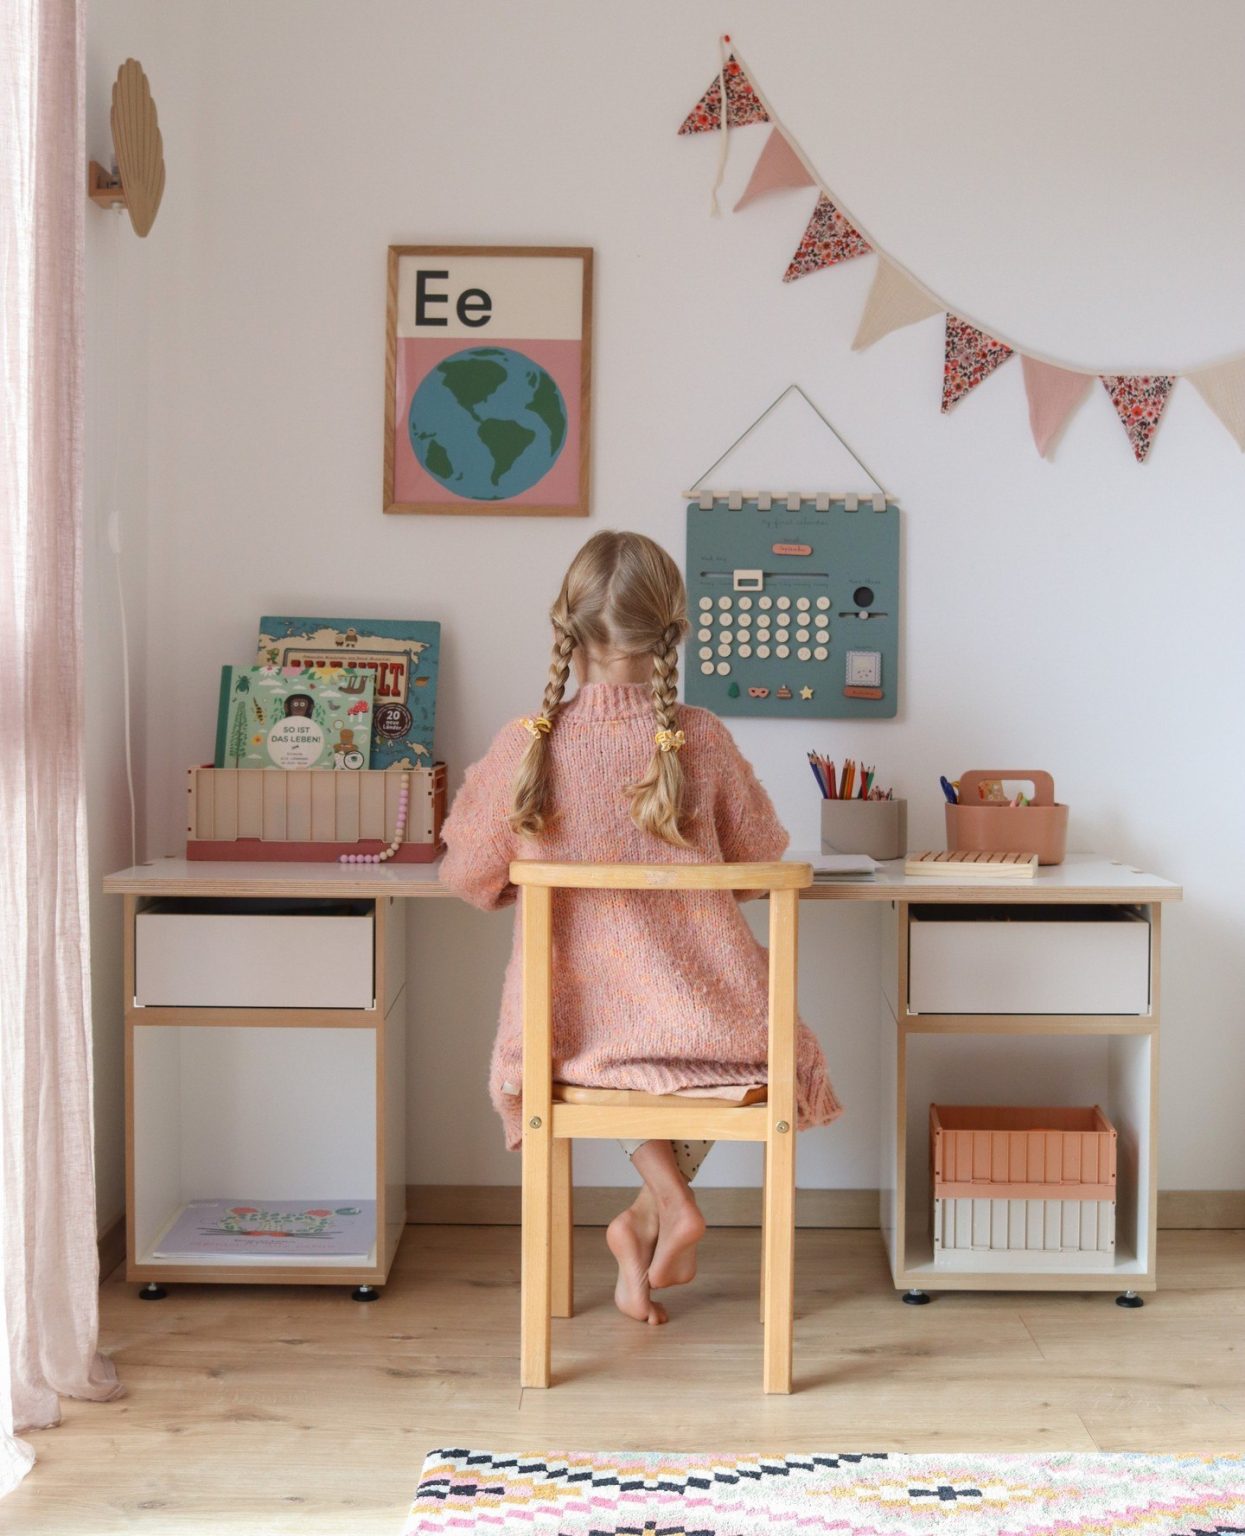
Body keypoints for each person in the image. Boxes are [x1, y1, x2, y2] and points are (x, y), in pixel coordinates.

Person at [440, 531, 841, 1325]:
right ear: (672, 628)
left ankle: (654, 1212)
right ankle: (651, 1213)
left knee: (618, 1051)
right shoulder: (701, 738)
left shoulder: (528, 746)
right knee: (729, 1058)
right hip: (715, 1028)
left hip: (574, 1037)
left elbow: (467, 878)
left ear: (569, 625)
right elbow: (762, 857)